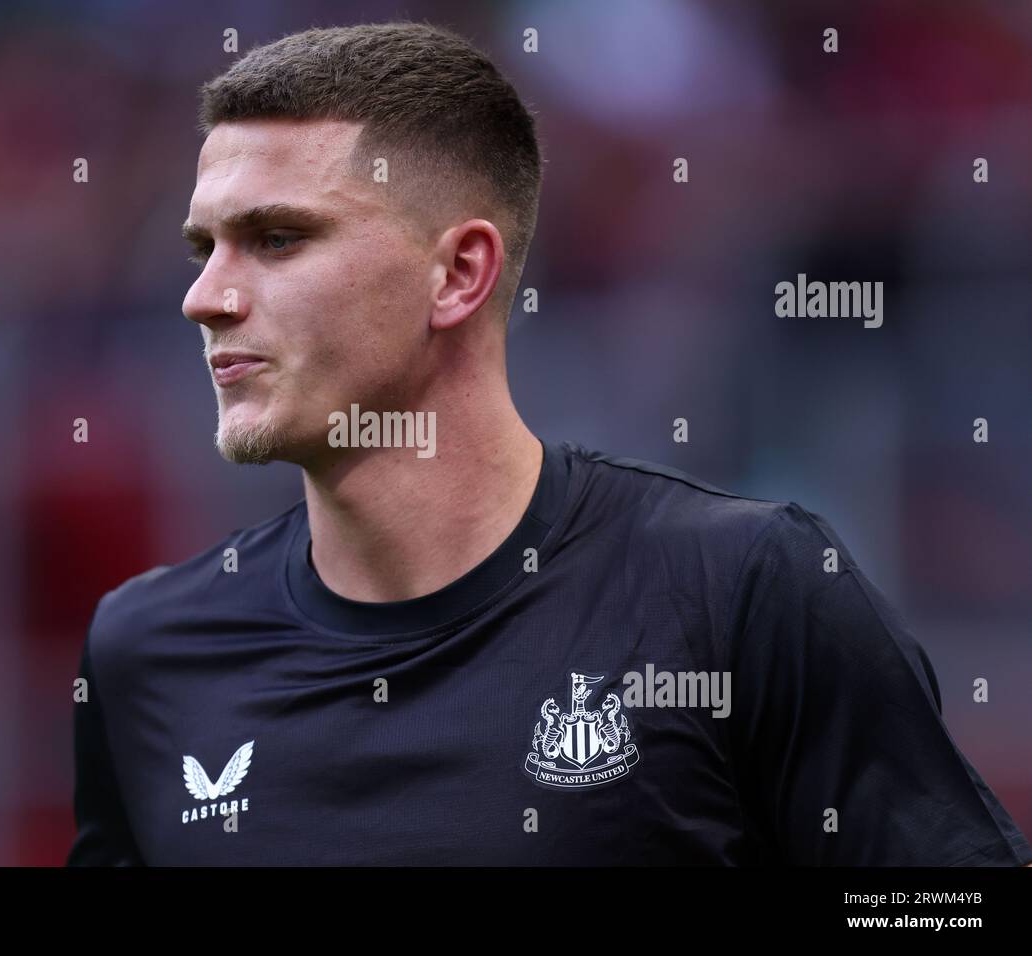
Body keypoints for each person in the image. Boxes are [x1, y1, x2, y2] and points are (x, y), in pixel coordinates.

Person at [67, 21, 1031, 866]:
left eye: (276, 239)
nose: (206, 298)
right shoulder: (146, 652)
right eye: (205, 249)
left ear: (458, 274)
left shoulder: (739, 591)